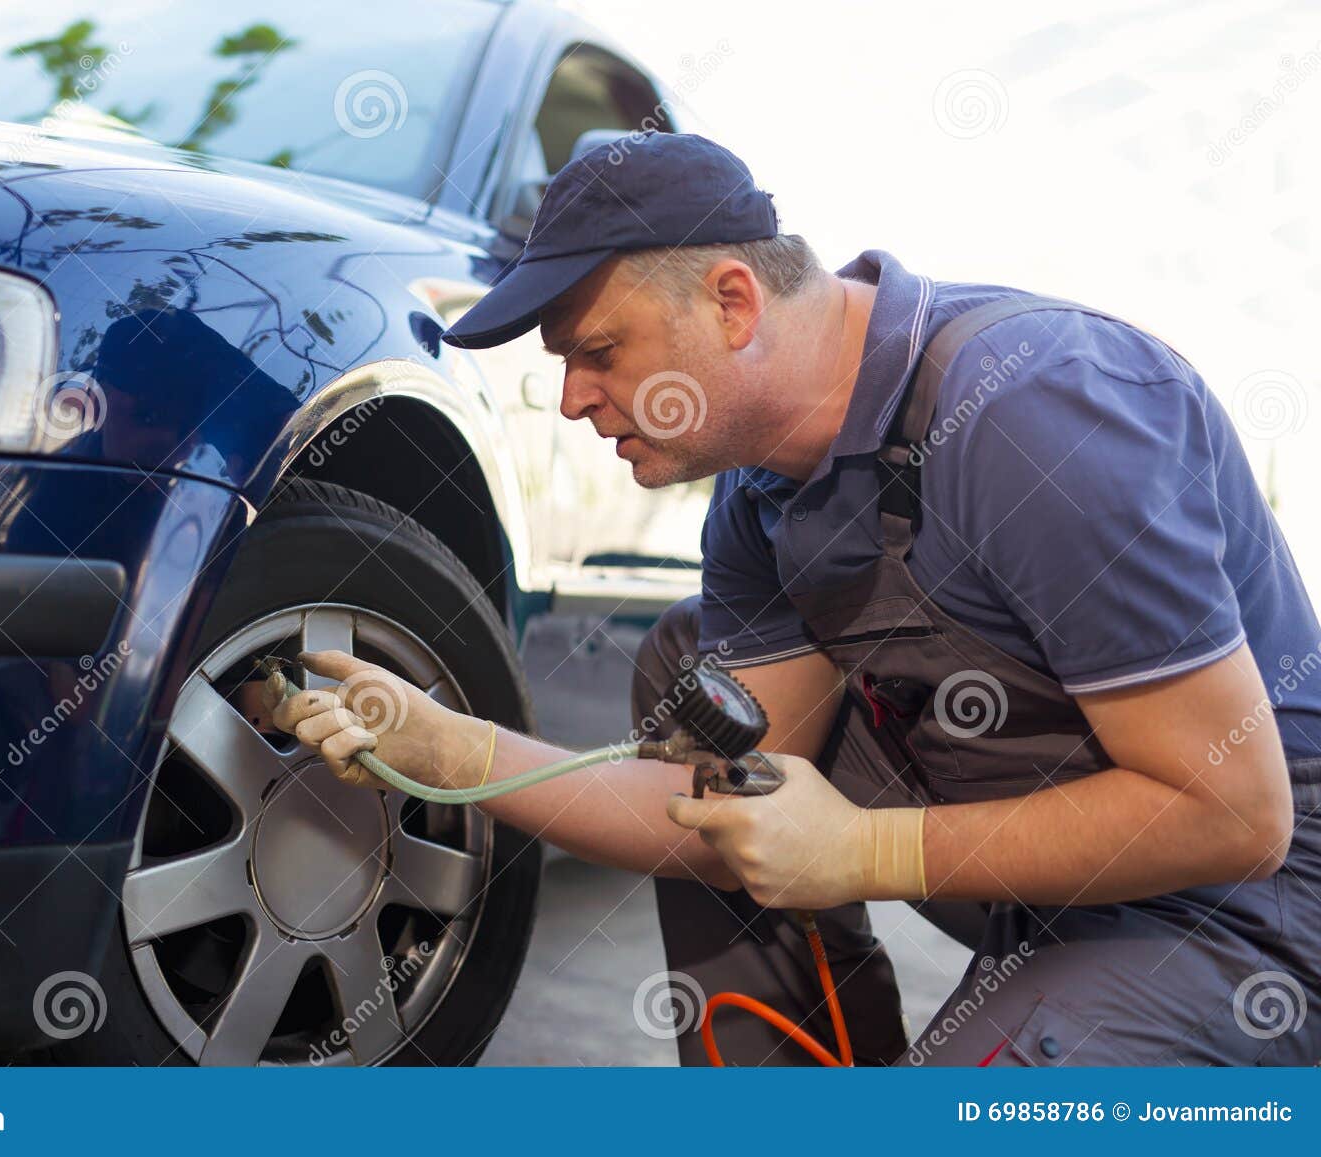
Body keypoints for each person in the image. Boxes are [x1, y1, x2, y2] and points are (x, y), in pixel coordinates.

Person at [258, 133, 1321, 1066]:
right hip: (1039, 880)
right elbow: (699, 809)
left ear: (731, 300)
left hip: (1238, 915)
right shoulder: (761, 501)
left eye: (598, 351)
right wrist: (459, 754)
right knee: (701, 685)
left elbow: (1233, 813)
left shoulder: (1035, 408)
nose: (573, 397)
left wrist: (868, 851)